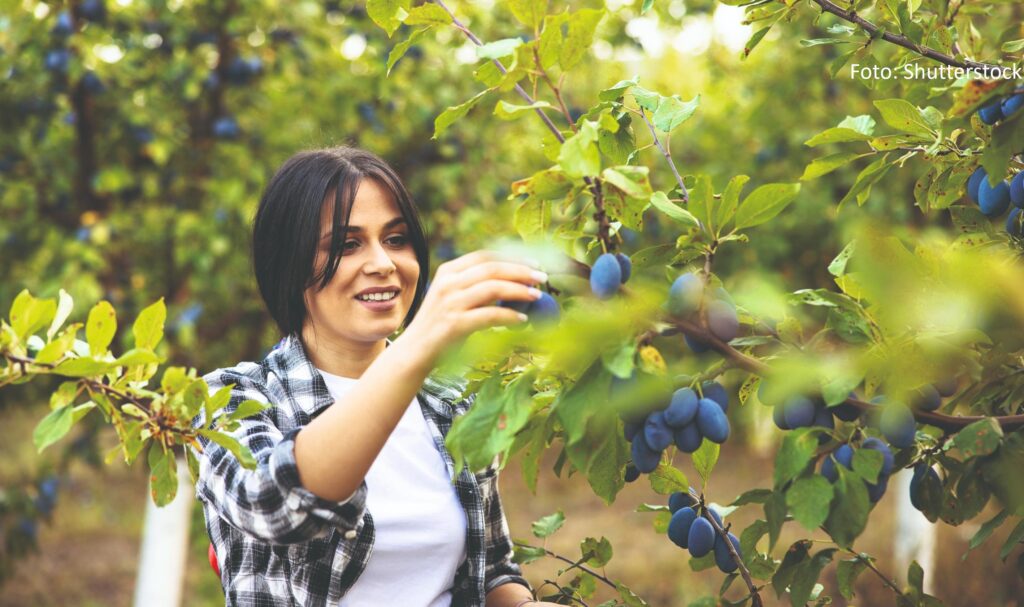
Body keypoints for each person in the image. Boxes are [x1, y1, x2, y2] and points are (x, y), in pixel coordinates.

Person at [190, 146, 561, 607]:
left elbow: (492, 569)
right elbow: (276, 503)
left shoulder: (448, 404)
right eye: (347, 245)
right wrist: (417, 346)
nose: (383, 263)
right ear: (289, 263)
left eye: (396, 239)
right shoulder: (230, 396)